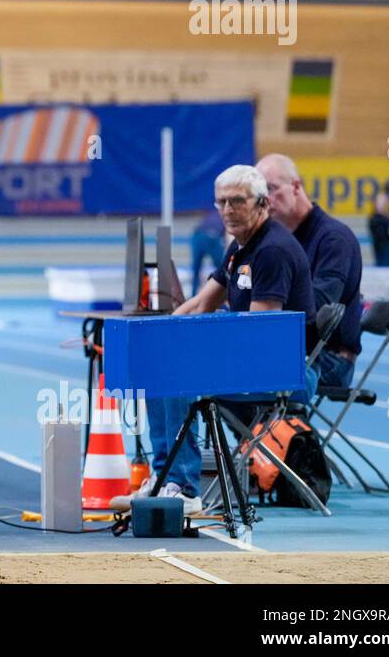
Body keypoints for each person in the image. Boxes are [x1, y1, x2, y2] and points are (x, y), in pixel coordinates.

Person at [115, 166, 316, 514]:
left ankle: (185, 488)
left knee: (181, 375)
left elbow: (259, 329)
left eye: (237, 201)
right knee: (159, 364)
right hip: (255, 355)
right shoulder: (241, 246)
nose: (227, 210)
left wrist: (188, 346)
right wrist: (161, 337)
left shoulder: (271, 250)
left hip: (282, 369)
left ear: (262, 203)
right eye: (221, 201)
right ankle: (164, 479)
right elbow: (201, 303)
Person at [257, 154, 362, 389]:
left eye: (271, 189)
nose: (265, 201)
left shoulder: (334, 239)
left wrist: (263, 300)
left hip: (329, 359)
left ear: (296, 186)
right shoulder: (274, 239)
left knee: (235, 368)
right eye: (259, 196)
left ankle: (274, 425)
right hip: (292, 349)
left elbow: (318, 307)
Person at [189, 206, 225, 286]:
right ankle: (225, 290)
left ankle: (194, 293)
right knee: (222, 269)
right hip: (210, 236)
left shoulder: (213, 212)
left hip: (198, 236)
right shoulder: (224, 215)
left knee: (196, 270)